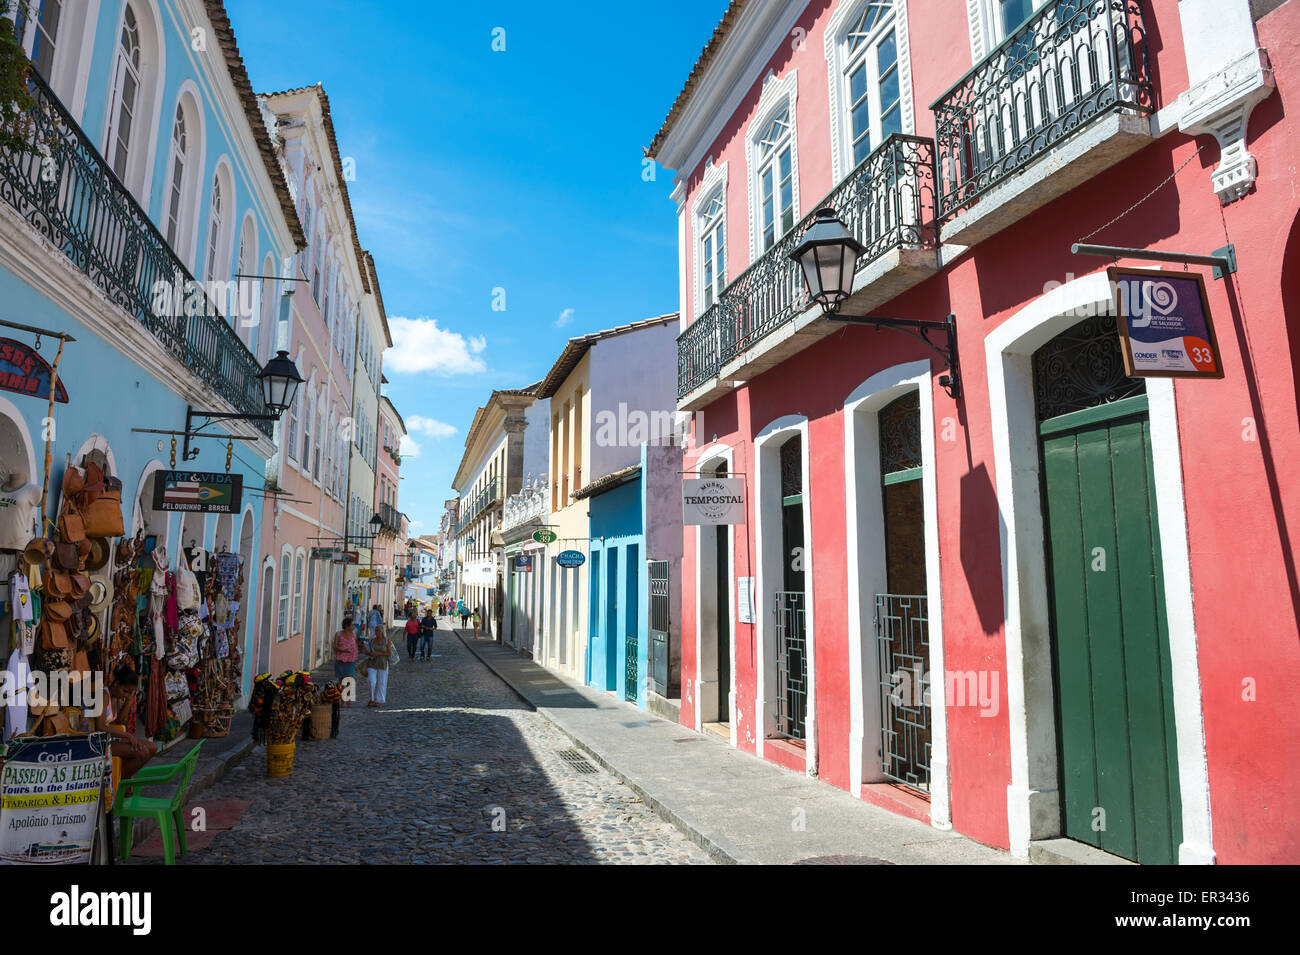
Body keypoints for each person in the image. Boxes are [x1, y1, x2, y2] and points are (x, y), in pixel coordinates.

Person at [91, 667, 158, 780]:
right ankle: (116, 783)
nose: (126, 694)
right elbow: (100, 727)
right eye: (125, 691)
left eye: (130, 692)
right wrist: (127, 736)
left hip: (107, 739)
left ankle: (118, 779)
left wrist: (128, 700)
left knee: (152, 747)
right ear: (116, 684)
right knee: (142, 753)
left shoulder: (116, 697)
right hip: (95, 742)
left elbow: (120, 721)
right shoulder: (103, 696)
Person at [333, 617, 360, 706]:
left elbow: (355, 643)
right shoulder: (338, 634)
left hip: (351, 660)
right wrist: (344, 650)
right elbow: (335, 646)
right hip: (341, 659)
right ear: (346, 626)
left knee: (349, 679)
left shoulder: (354, 633)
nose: (353, 626)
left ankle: (348, 698)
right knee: (341, 680)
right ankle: (342, 699)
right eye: (352, 625)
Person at [366, 626, 391, 707]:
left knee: (382, 683)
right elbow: (368, 652)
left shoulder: (387, 641)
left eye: (377, 631)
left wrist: (378, 653)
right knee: (371, 681)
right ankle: (371, 699)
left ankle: (379, 700)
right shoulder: (372, 640)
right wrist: (369, 652)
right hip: (372, 663)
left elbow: (389, 653)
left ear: (382, 631)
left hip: (383, 664)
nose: (376, 632)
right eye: (375, 630)